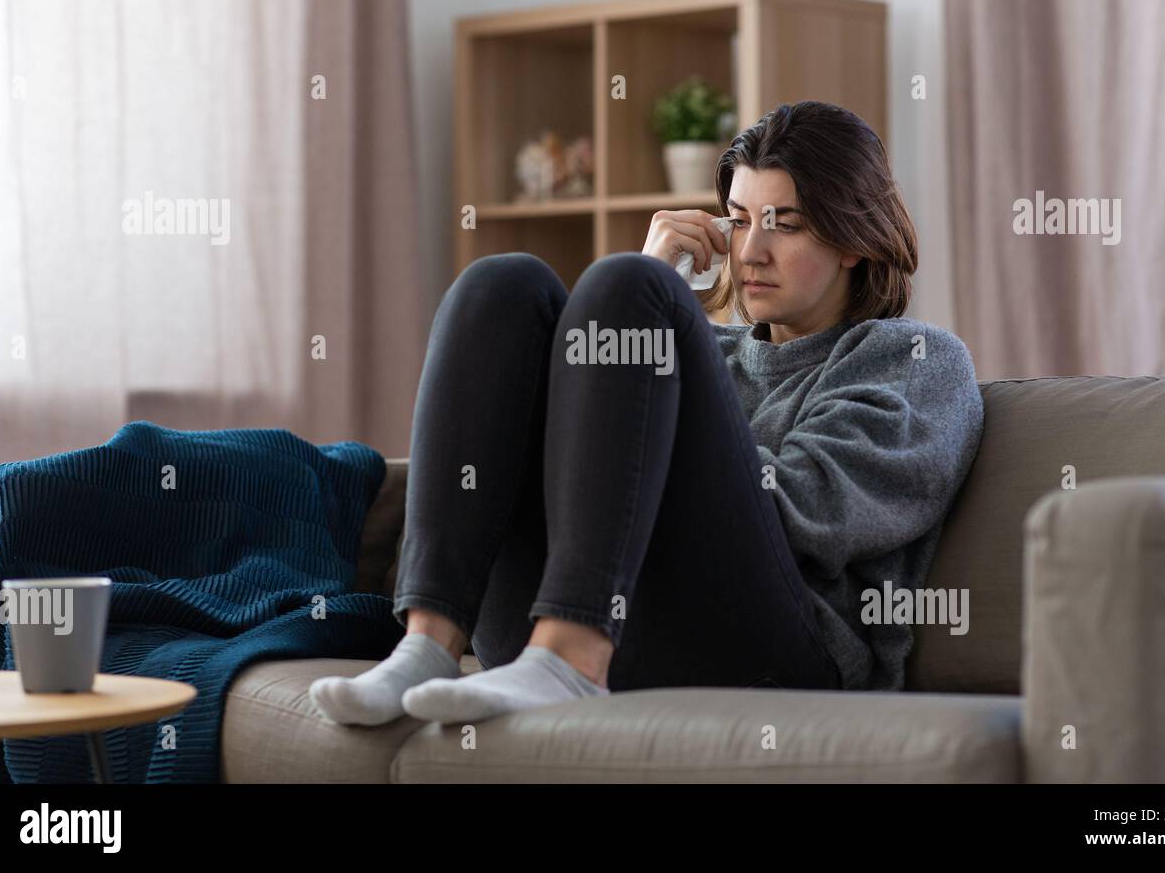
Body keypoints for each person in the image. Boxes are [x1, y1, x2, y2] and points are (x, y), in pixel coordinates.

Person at [309, 101, 984, 727]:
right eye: (739, 219)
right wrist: (638, 314)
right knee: (500, 284)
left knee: (630, 286)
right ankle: (427, 644)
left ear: (853, 238)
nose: (751, 252)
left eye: (787, 225)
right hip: (565, 620)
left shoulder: (914, 360)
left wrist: (648, 314)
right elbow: (544, 444)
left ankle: (571, 656)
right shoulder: (703, 348)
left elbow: (813, 512)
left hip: (766, 657)